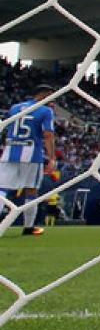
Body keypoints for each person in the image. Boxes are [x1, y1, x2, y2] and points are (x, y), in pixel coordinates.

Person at [1, 81, 57, 237]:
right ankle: (28, 227)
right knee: (31, 190)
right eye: (51, 96)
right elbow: (48, 135)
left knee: (2, 189)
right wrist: (52, 158)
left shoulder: (15, 107)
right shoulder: (45, 111)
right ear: (44, 95)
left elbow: (5, 127)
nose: (52, 101)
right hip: (31, 154)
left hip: (9, 151)